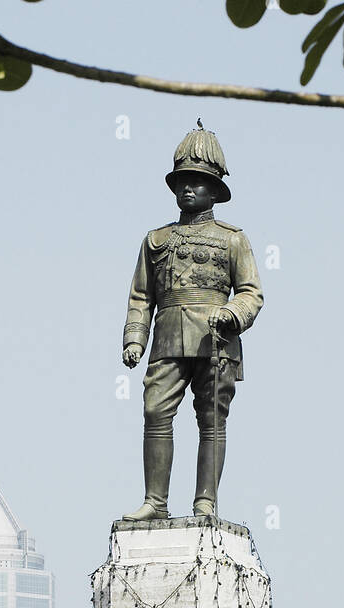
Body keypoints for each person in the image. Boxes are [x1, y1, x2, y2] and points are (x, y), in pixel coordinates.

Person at [121, 122, 263, 521]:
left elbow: (251, 292)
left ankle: (205, 501)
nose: (188, 189)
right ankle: (155, 501)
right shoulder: (155, 240)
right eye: (182, 181)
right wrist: (135, 337)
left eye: (197, 182)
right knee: (155, 411)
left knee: (211, 418)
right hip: (166, 339)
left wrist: (233, 313)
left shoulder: (233, 239)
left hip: (216, 342)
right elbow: (141, 295)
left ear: (214, 191)